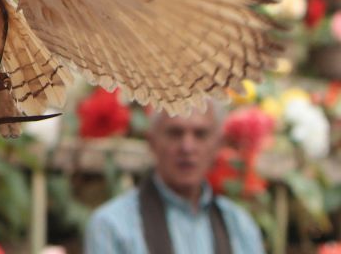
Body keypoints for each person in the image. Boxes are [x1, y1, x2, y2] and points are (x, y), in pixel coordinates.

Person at [84, 102, 265, 253]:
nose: (187, 147)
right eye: (175, 133)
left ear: (218, 144)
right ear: (152, 142)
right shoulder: (113, 225)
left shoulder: (239, 226)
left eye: (200, 134)